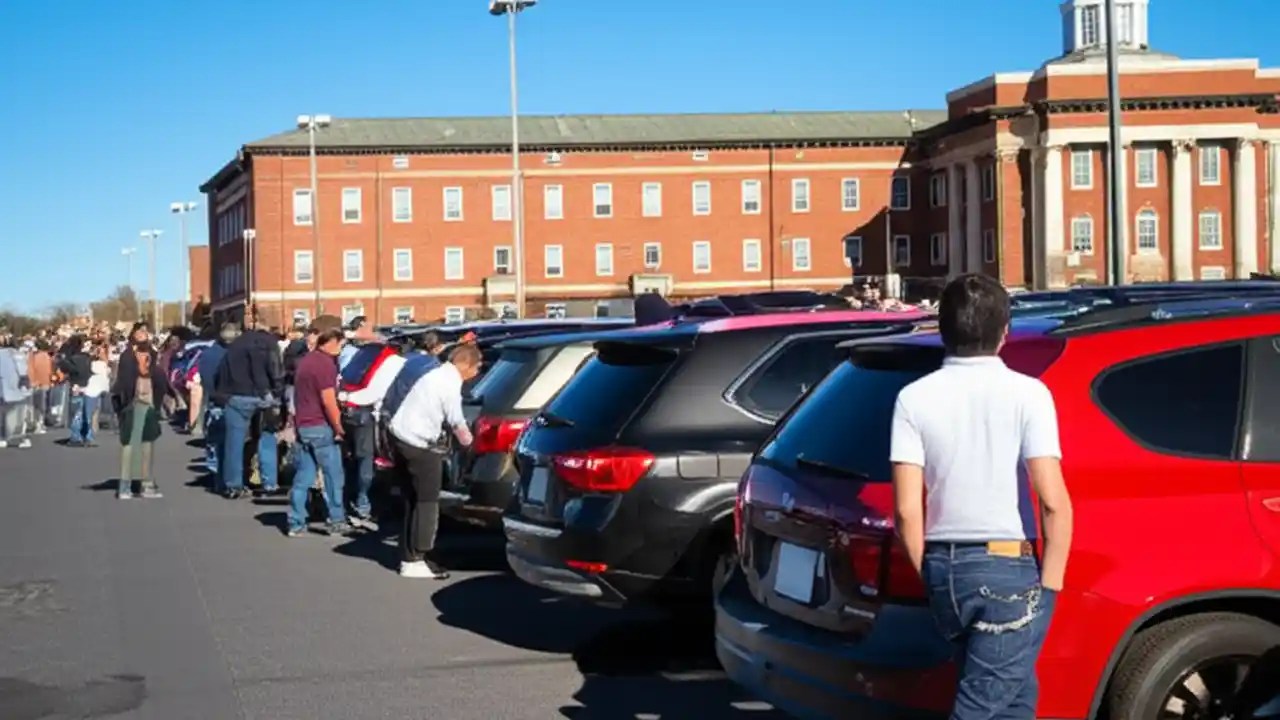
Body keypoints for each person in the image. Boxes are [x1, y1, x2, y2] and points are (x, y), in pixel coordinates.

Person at [890, 274, 1072, 720]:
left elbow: (906, 510)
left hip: (943, 569)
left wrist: (929, 571)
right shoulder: (1029, 395)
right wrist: (1050, 589)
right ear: (1005, 332)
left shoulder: (912, 399)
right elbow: (1053, 501)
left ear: (941, 328)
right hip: (1008, 570)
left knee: (1015, 699)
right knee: (979, 708)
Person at [387, 343, 481, 579]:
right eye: (477, 367)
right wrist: (471, 444)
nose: (477, 373)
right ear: (465, 364)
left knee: (412, 498)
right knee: (428, 501)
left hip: (399, 435)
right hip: (420, 444)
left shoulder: (433, 372)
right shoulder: (449, 383)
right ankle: (417, 557)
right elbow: (456, 420)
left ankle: (408, 554)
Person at [287, 327, 353, 537]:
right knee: (334, 476)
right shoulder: (325, 365)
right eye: (341, 345)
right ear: (332, 341)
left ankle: (295, 522)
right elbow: (328, 400)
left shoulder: (306, 361)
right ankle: (337, 519)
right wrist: (339, 427)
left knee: (303, 476)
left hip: (304, 424)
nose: (342, 350)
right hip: (320, 425)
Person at [213, 311, 285, 500]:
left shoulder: (236, 345)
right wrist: (277, 394)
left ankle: (233, 485)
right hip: (263, 394)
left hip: (236, 395)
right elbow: (275, 369)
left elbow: (222, 372)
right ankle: (269, 483)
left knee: (234, 442)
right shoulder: (269, 343)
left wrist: (223, 395)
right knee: (267, 438)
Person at [112, 337, 168, 499]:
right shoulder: (130, 373)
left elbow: (162, 389)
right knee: (131, 447)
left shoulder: (155, 373)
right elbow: (118, 392)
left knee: (145, 448)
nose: (144, 360)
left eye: (147, 356)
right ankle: (126, 486)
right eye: (140, 355)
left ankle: (144, 485)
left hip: (147, 410)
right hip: (133, 409)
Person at [192, 323, 237, 485]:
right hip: (230, 399)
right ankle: (226, 475)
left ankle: (214, 469)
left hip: (213, 399)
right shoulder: (233, 354)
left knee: (214, 439)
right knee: (230, 441)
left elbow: (204, 376)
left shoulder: (208, 354)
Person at [58, 336, 94, 447]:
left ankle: (76, 437)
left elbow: (65, 367)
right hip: (88, 386)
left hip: (76, 385)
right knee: (86, 413)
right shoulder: (89, 358)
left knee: (77, 412)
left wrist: (63, 360)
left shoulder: (72, 358)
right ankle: (87, 436)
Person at [0, 335, 32, 449]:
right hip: (16, 390)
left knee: (3, 415)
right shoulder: (17, 354)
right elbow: (23, 372)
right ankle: (20, 438)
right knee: (19, 416)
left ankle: (2, 437)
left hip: (3, 390)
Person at [26, 340, 53, 435]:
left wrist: (32, 381)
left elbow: (30, 370)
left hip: (35, 383)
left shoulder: (33, 357)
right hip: (45, 383)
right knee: (42, 405)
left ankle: (33, 424)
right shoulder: (47, 357)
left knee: (33, 405)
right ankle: (39, 424)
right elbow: (50, 371)